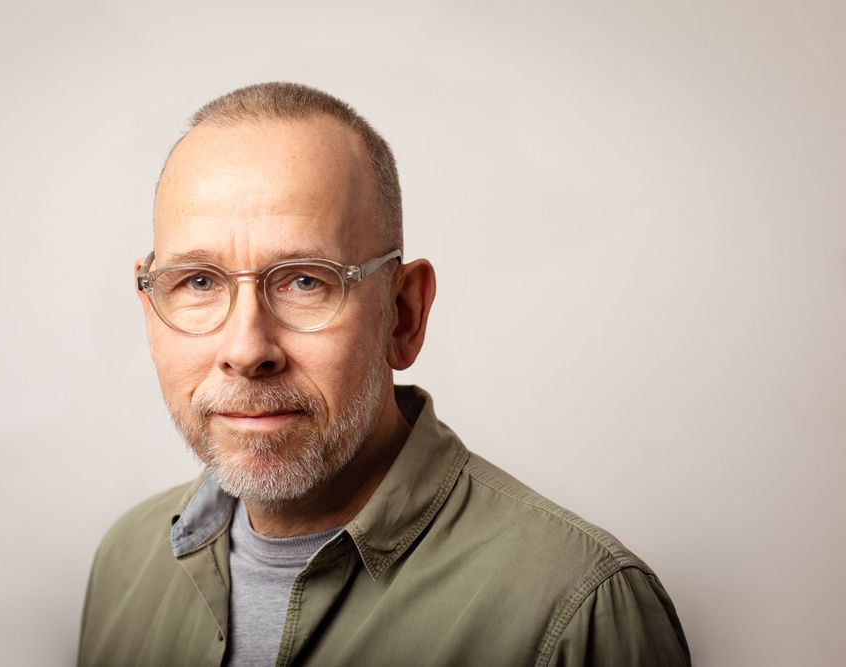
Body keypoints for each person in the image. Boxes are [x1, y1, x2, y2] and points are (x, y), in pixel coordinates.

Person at [78, 82, 691, 667]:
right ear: (149, 308)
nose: (246, 349)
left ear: (402, 314)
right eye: (199, 282)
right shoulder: (128, 559)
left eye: (304, 281)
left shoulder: (578, 609)